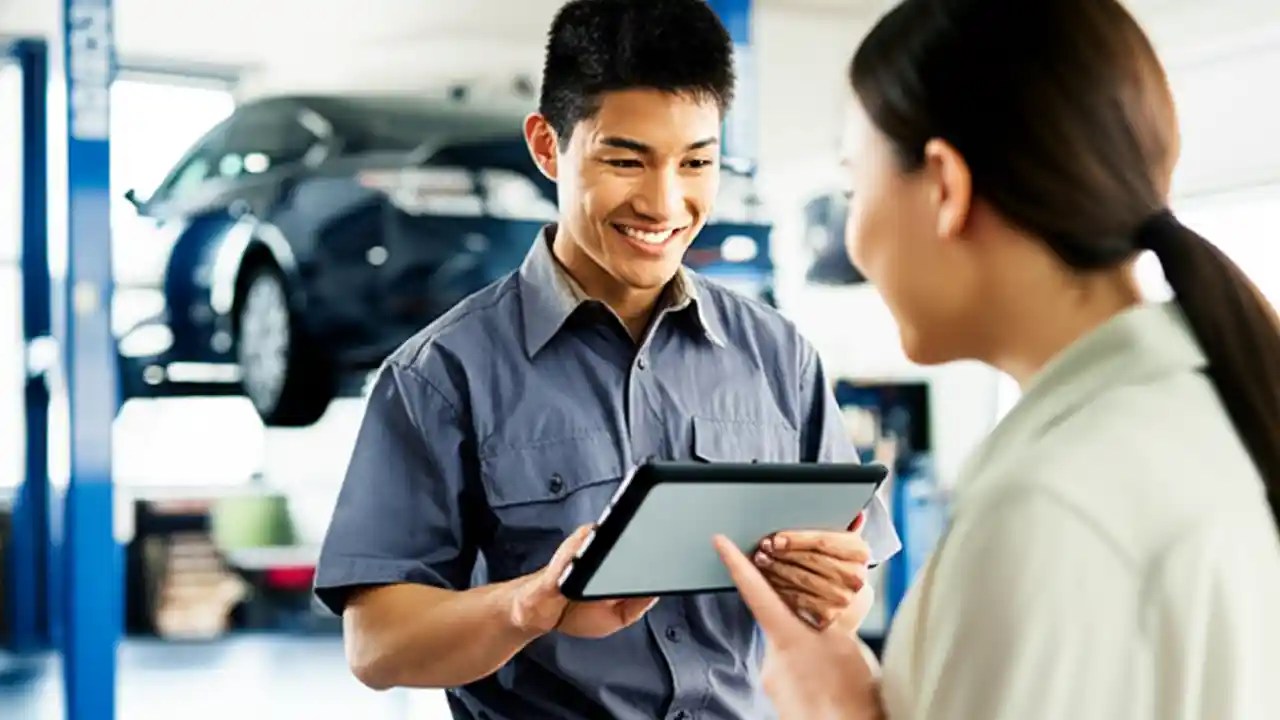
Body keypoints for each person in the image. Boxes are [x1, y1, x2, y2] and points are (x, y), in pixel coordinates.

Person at [313, 0, 900, 717]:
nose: (664, 203)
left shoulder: (779, 358)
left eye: (697, 163)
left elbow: (845, 603)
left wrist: (836, 595)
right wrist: (532, 605)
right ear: (547, 146)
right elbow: (376, 646)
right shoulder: (439, 377)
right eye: (625, 160)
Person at [716, 0, 1280, 718]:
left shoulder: (1049, 503)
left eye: (856, 188)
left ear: (946, 186)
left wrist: (836, 708)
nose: (854, 243)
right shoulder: (1215, 409)